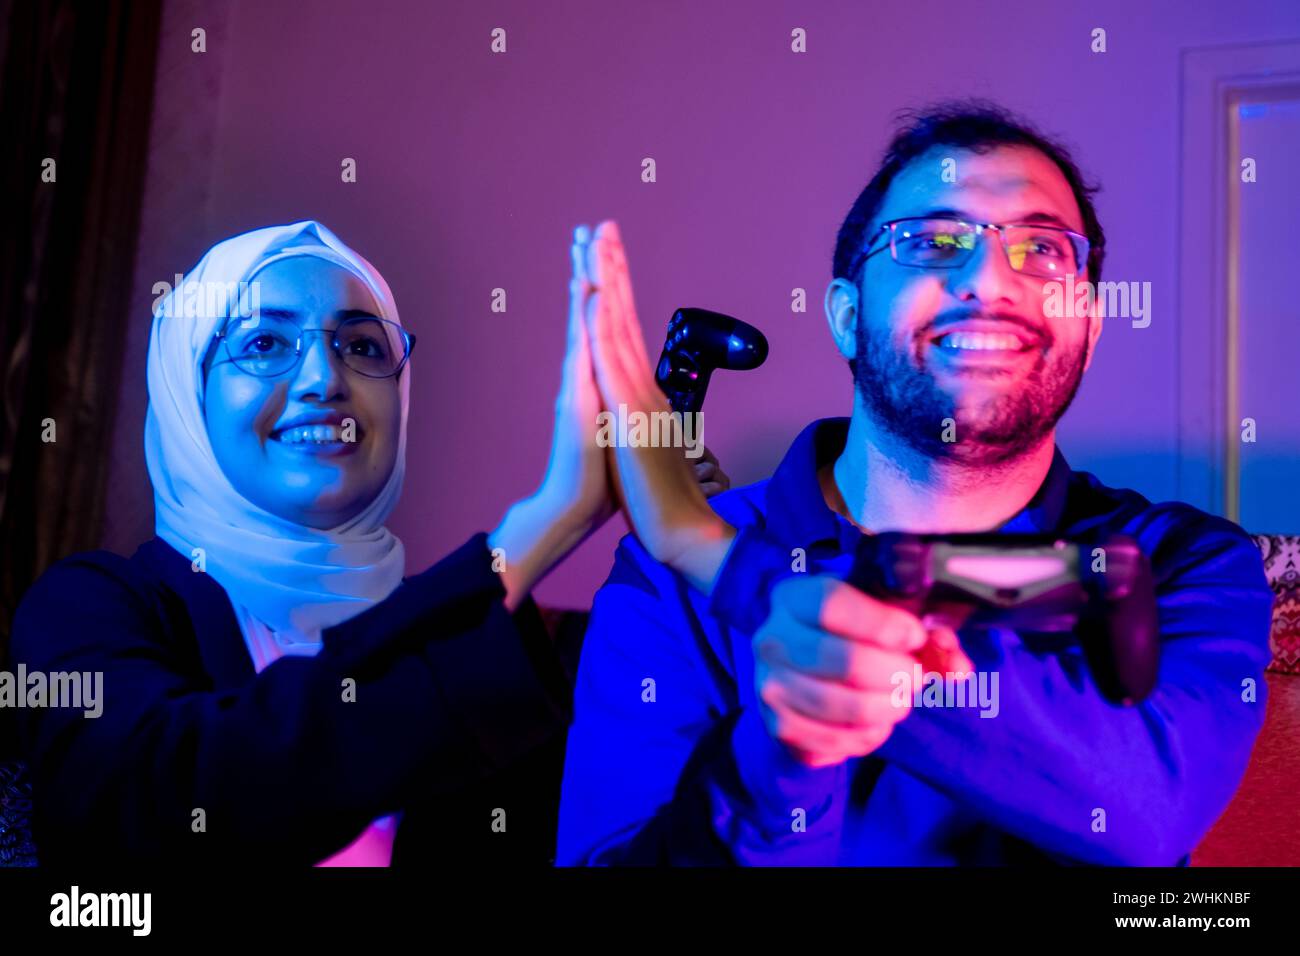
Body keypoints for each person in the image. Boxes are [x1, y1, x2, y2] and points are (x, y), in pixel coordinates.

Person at [556, 102, 1277, 866]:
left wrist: (730, 566)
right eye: (933, 242)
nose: (988, 278)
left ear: (1091, 325)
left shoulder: (1186, 563)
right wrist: (778, 760)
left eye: (1041, 249)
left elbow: (1146, 812)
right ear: (845, 314)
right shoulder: (665, 587)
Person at [8, 218, 724, 865]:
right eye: (263, 343)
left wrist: (701, 560)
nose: (324, 378)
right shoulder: (93, 607)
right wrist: (544, 525)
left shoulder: (503, 654)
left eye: (360, 345)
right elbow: (158, 803)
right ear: (187, 393)